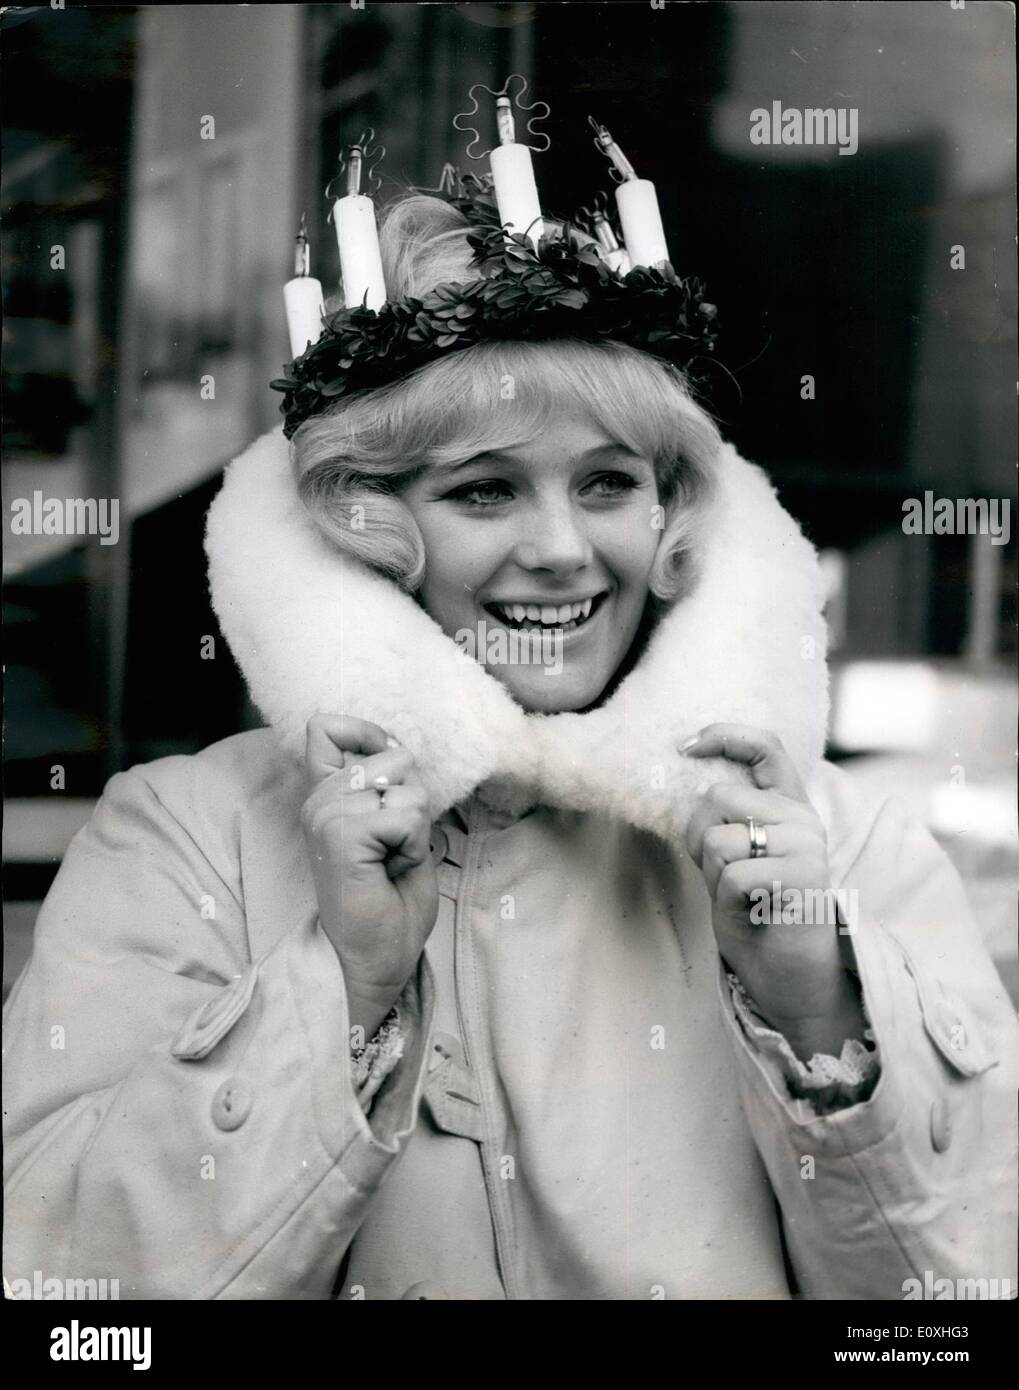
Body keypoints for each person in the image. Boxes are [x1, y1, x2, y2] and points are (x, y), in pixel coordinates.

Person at [3, 195, 1016, 1301]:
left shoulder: (839, 844)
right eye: (485, 489)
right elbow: (71, 1306)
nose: (561, 550)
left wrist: (816, 1003)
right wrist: (340, 987)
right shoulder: (184, 839)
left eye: (608, 483)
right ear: (367, 528)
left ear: (667, 515)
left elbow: (949, 1319)